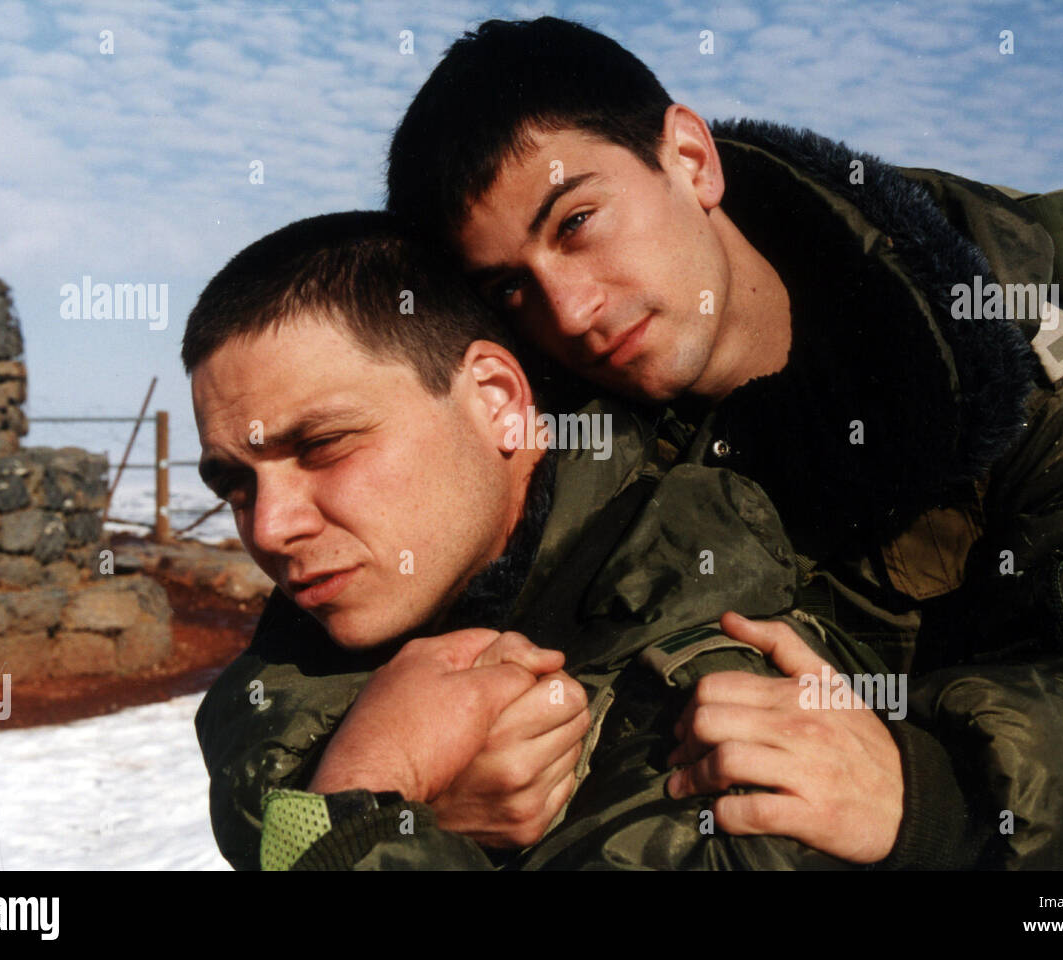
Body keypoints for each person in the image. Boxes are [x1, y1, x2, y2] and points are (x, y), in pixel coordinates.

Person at [376, 17, 1063, 867]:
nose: (570, 310)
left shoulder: (1028, 392)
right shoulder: (522, 451)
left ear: (690, 159)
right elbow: (329, 681)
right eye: (510, 288)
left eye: (578, 222)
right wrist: (406, 783)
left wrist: (930, 792)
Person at [188, 211, 890, 871]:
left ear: (495, 399)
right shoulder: (291, 683)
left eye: (322, 445)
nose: (270, 527)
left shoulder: (717, 709)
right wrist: (419, 817)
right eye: (236, 485)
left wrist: (361, 791)